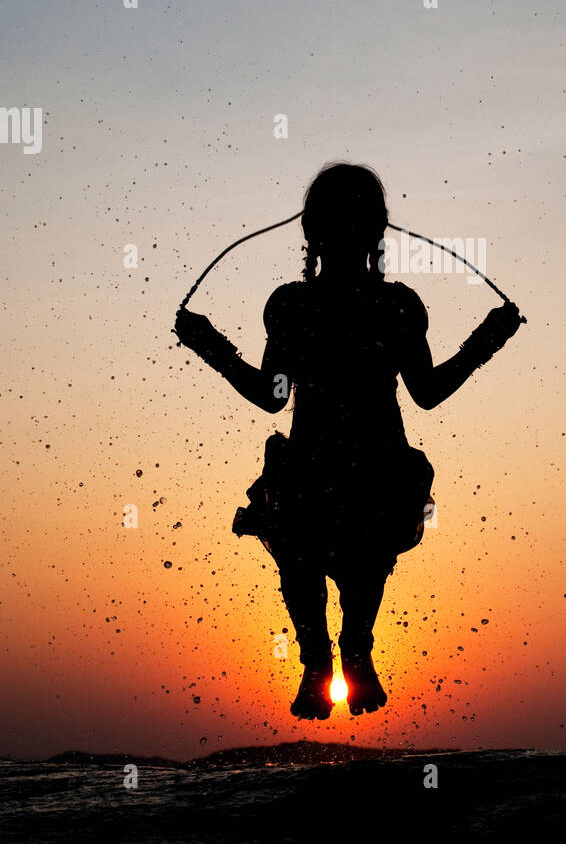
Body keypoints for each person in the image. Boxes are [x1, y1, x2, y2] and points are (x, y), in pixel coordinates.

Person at [174, 162, 522, 719]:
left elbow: (271, 395)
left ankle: (320, 662)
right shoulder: (393, 305)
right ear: (378, 231)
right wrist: (487, 341)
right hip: (376, 459)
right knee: (366, 558)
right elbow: (428, 393)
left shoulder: (294, 304)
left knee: (302, 559)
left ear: (310, 232)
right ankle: (351, 654)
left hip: (314, 458)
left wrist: (210, 347)